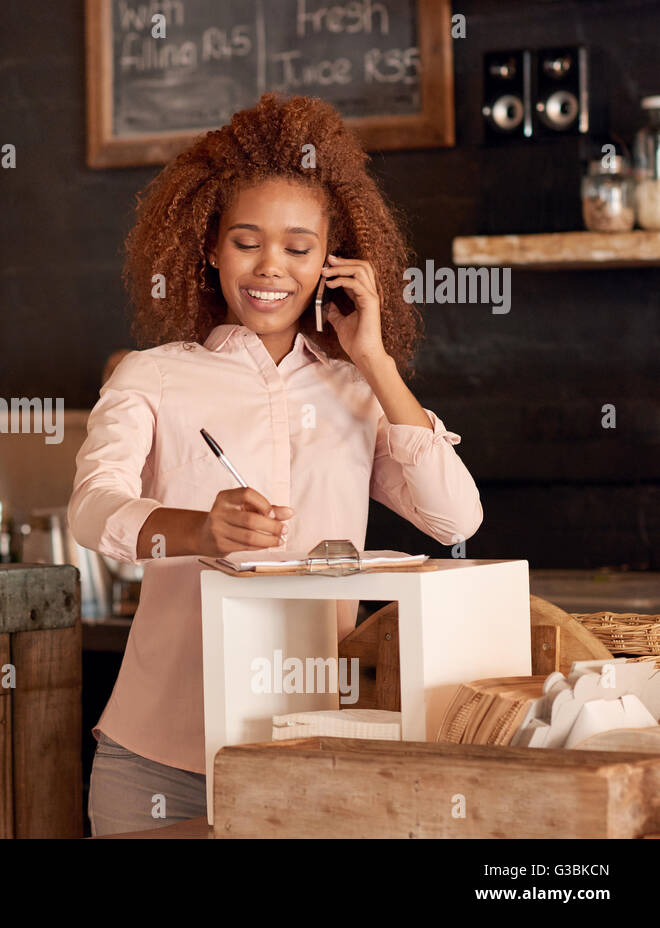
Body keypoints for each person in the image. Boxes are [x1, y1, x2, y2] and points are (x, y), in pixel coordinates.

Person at [70, 93, 483, 836]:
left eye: (299, 248)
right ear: (208, 245)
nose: (271, 268)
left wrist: (376, 360)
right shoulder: (151, 374)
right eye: (246, 241)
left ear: (333, 260)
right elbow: (93, 509)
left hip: (314, 750)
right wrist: (199, 530)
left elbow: (455, 517)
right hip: (160, 754)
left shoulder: (358, 390)